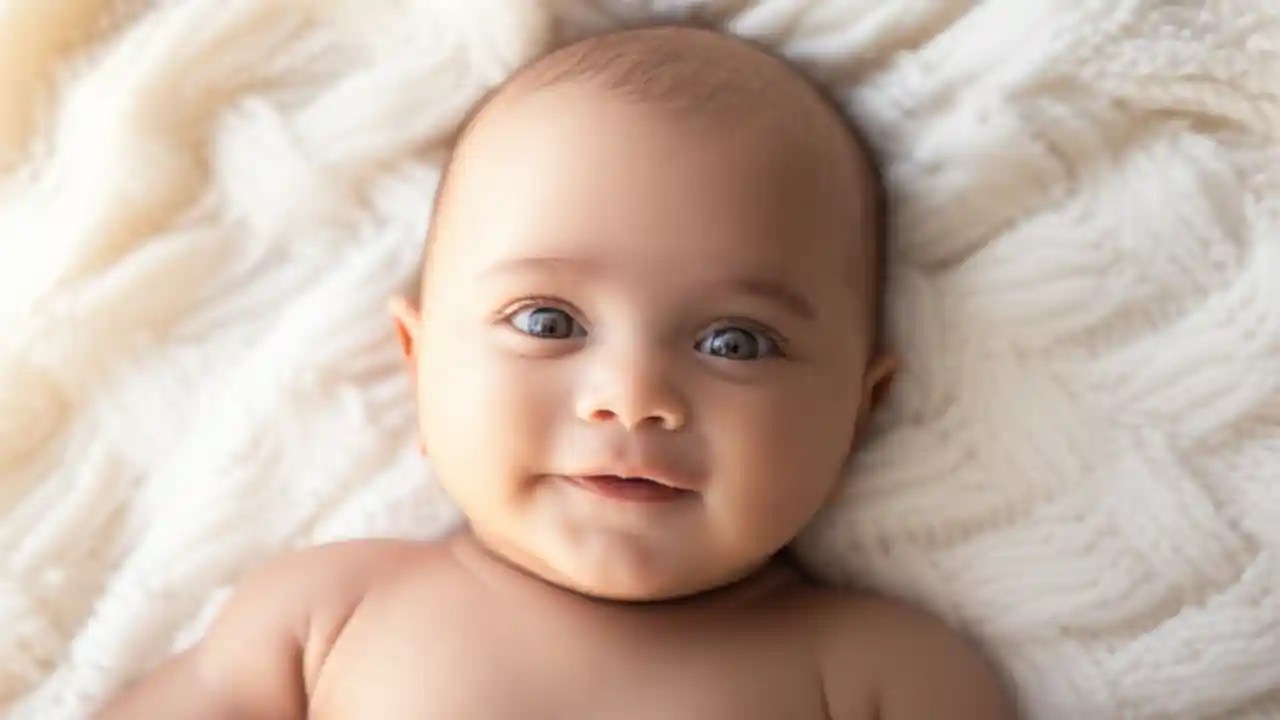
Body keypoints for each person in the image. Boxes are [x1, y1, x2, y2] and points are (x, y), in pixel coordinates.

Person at [98, 24, 1016, 719]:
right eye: (548, 321)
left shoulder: (881, 674)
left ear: (859, 411)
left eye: (734, 343)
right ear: (420, 367)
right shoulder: (327, 614)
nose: (634, 396)